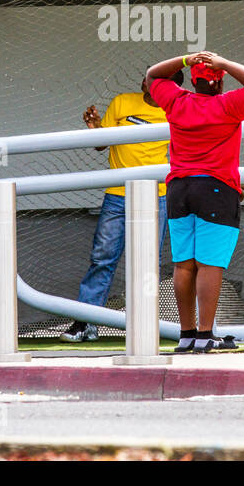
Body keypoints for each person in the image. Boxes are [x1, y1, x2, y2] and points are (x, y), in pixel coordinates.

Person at [146, 51, 244, 352]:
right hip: (216, 190)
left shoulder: (177, 101)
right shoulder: (229, 105)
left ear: (193, 80)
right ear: (220, 83)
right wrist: (226, 62)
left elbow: (153, 75)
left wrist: (187, 58)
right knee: (209, 264)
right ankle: (204, 336)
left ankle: (186, 334)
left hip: (178, 190)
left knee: (184, 265)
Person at [59, 73, 179, 342]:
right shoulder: (122, 102)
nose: (149, 83)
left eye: (158, 80)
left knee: (148, 263)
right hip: (118, 195)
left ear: (171, 87)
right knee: (102, 258)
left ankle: (144, 325)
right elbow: (102, 143)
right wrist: (94, 127)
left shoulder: (177, 110)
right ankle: (85, 323)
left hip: (155, 196)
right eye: (149, 78)